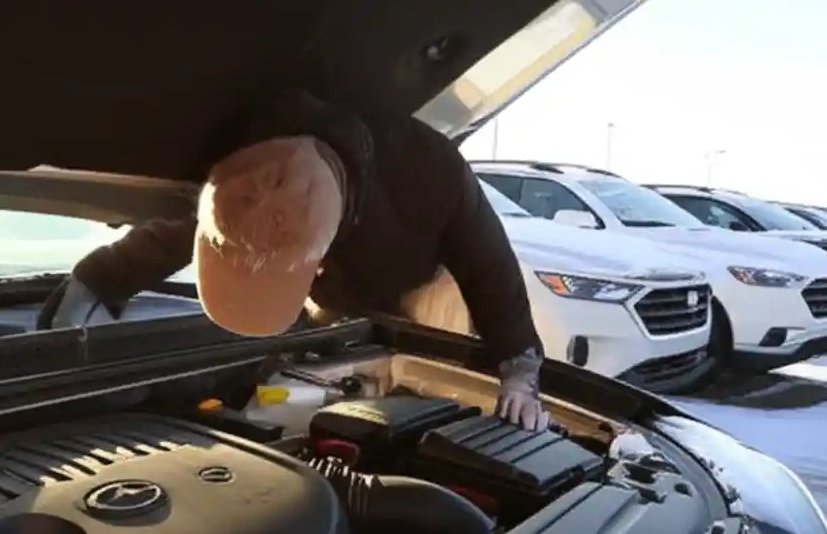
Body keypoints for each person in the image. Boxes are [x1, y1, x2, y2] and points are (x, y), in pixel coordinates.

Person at [49, 90, 550, 431]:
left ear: (324, 256)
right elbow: (178, 234)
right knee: (313, 367)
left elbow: (491, 268)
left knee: (436, 389)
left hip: (424, 281)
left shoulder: (431, 170)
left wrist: (519, 371)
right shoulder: (250, 170)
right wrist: (96, 280)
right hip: (338, 297)